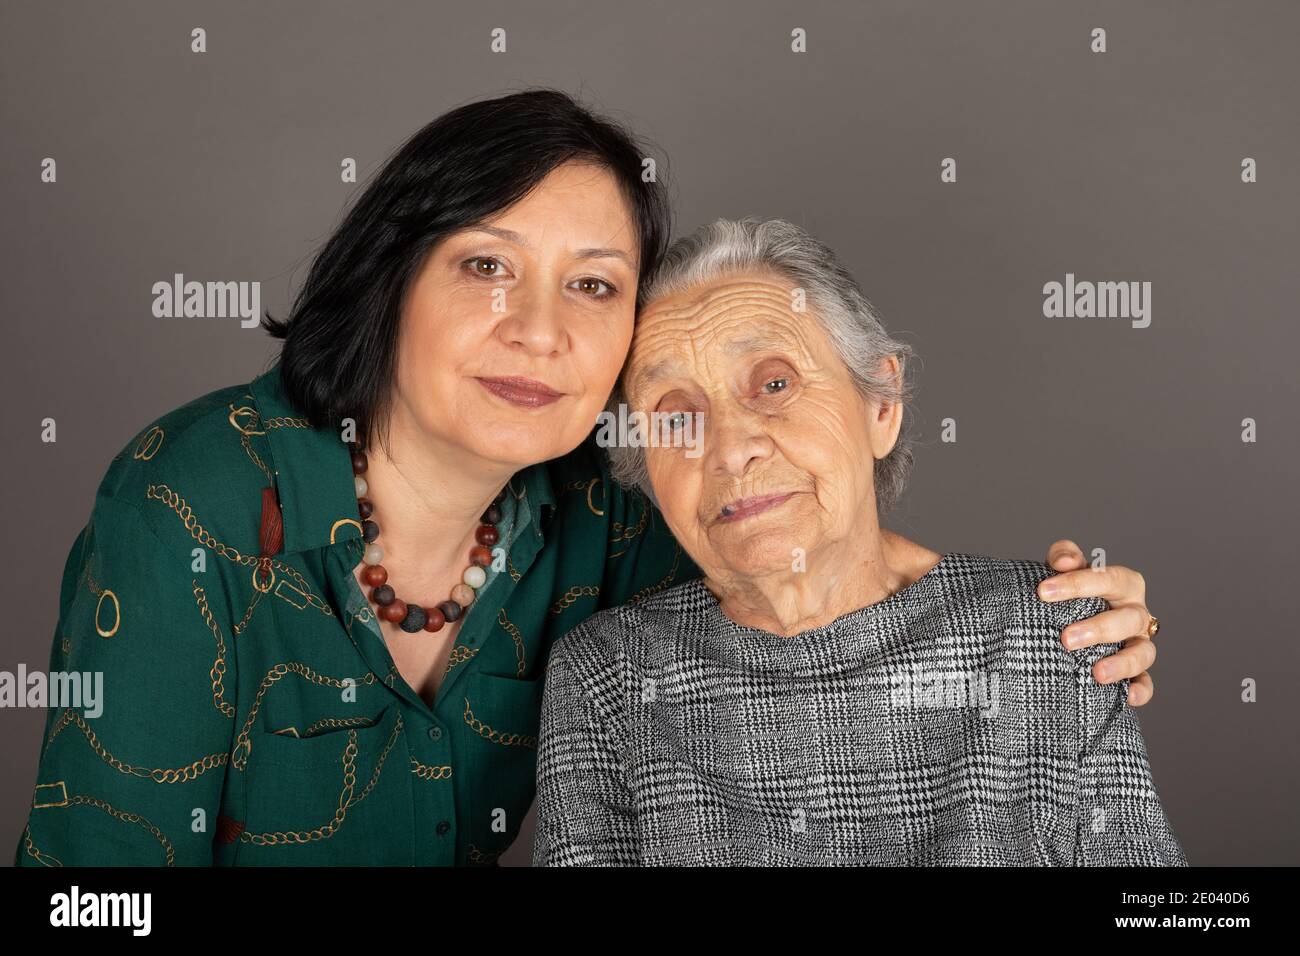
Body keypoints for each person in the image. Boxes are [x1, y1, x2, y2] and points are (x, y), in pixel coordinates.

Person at [18, 92, 1159, 867]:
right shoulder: (195, 505)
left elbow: (803, 570)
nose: (538, 331)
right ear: (388, 278)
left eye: (594, 286)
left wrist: (1040, 614)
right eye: (484, 266)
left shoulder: (614, 516)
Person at [533, 218, 1183, 866]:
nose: (730, 451)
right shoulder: (605, 676)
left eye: (775, 384)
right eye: (676, 417)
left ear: (881, 406)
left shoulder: (1050, 635)